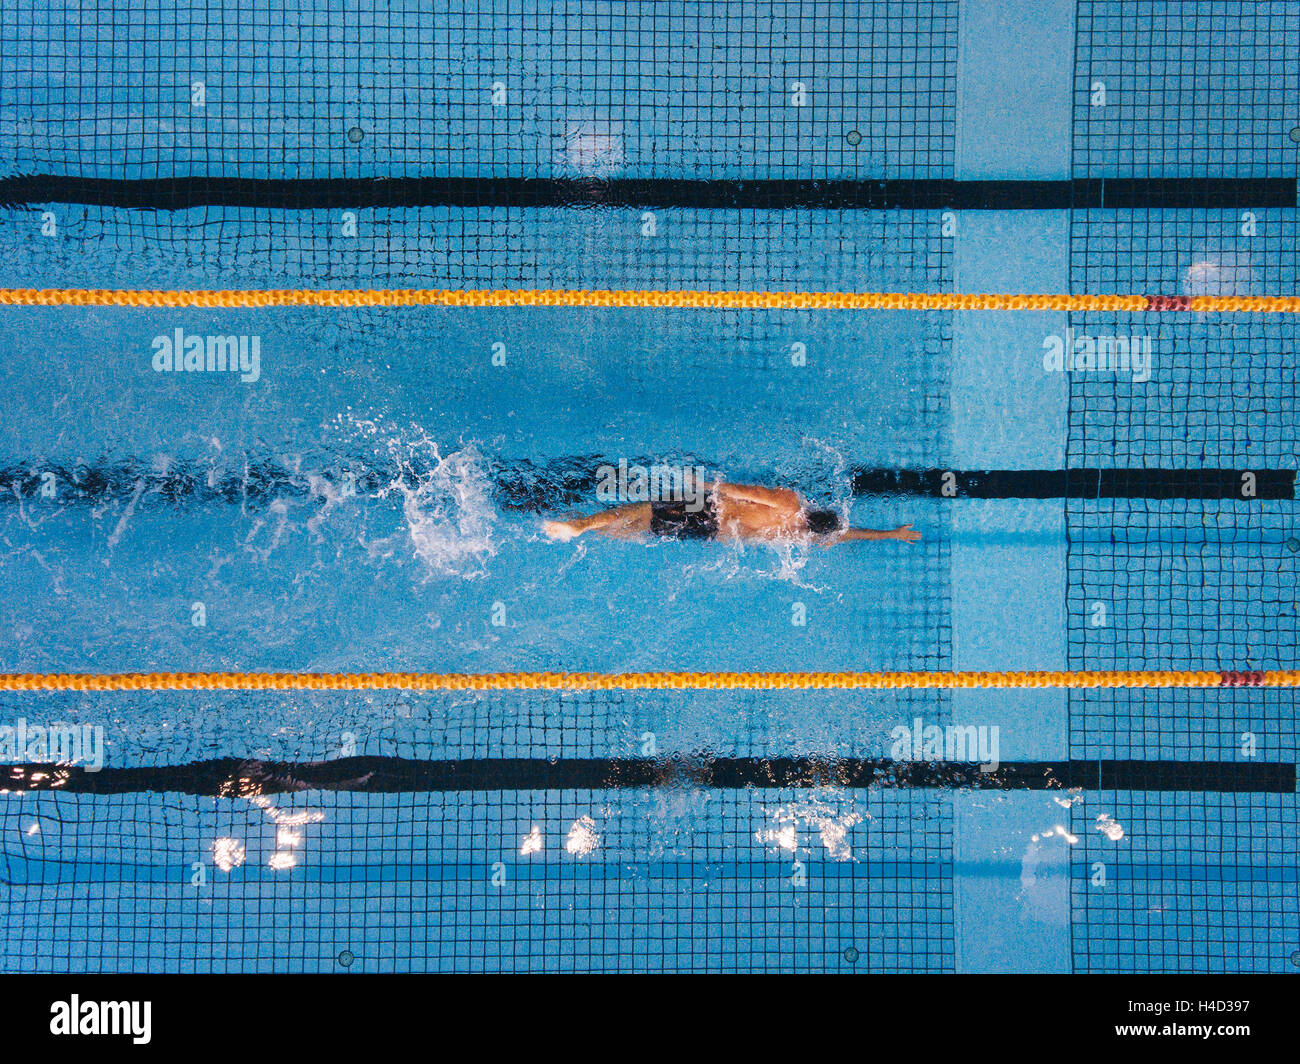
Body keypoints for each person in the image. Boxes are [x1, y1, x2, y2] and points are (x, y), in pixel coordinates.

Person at [542, 480, 920, 545]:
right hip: (711, 534)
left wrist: (706, 486)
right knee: (642, 528)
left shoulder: (791, 503)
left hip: (711, 509)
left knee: (642, 509)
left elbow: (741, 491)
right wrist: (891, 534)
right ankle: (588, 530)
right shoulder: (796, 534)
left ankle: (580, 524)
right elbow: (843, 536)